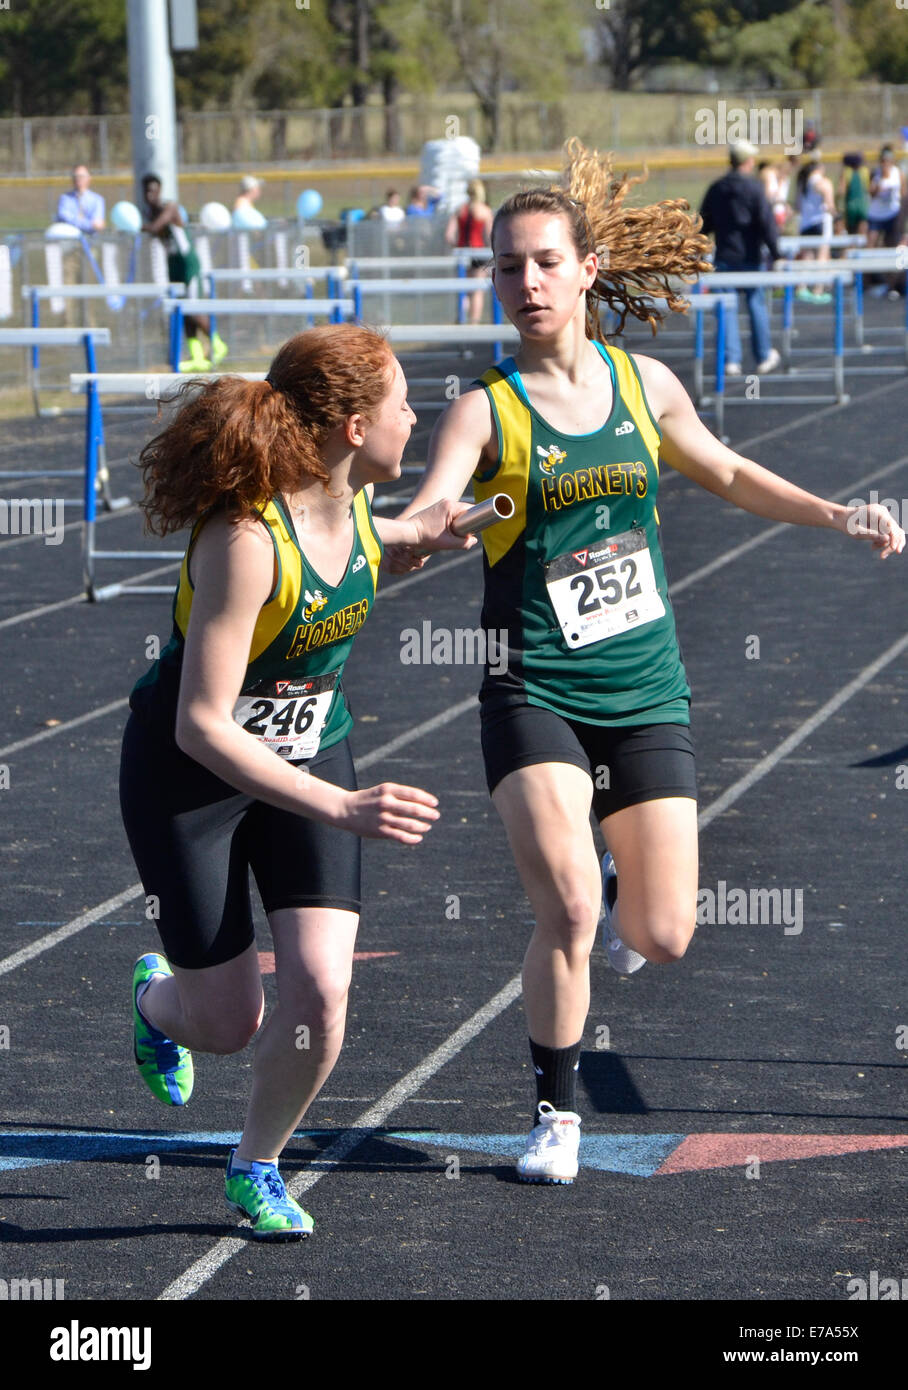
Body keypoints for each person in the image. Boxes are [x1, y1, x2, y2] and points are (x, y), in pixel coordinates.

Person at [391, 138, 904, 1185]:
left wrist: (833, 512)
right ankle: (556, 1118)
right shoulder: (482, 409)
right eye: (504, 267)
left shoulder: (643, 383)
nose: (523, 283)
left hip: (640, 685)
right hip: (531, 684)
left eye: (542, 262)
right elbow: (428, 501)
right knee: (570, 911)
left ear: (587, 270)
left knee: (661, 933)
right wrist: (429, 521)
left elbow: (720, 468)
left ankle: (624, 883)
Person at [120, 324, 476, 1238]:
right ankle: (158, 1003)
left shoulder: (351, 502)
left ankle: (257, 1163)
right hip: (192, 778)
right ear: (355, 426)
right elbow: (202, 723)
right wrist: (342, 805)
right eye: (403, 403)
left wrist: (422, 536)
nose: (415, 417)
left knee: (321, 990)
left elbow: (367, 538)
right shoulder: (244, 539)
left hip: (311, 751)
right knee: (229, 1023)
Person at [699, 140, 781, 375]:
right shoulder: (755, 189)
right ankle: (764, 355)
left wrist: (695, 248)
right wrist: (776, 254)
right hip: (751, 258)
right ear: (748, 161)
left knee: (726, 309)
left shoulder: (717, 188)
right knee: (756, 304)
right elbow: (767, 223)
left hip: (725, 256)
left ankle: (731, 359)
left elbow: (703, 222)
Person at [141, 172, 228, 372]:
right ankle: (196, 355)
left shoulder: (170, 208)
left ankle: (217, 343)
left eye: (153, 190)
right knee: (182, 311)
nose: (150, 195)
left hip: (187, 263)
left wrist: (138, 227)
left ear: (160, 191)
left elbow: (155, 228)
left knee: (193, 309)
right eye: (146, 191)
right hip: (173, 264)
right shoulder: (150, 212)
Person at [446, 178, 494, 326]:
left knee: (464, 290)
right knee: (477, 291)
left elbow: (448, 235)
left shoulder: (460, 210)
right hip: (478, 253)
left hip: (462, 253)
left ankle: (461, 317)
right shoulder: (484, 210)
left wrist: (458, 246)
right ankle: (474, 323)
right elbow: (490, 235)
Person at [795, 158, 836, 303]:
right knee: (821, 257)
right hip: (819, 222)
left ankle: (801, 287)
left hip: (806, 223)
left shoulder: (803, 182)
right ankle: (818, 290)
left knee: (806, 258)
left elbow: (797, 205)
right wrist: (833, 210)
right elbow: (828, 200)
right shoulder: (820, 181)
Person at [56, 164, 105, 235]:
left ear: (89, 178)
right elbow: (64, 218)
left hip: (90, 239)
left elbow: (98, 223)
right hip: (68, 238)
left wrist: (75, 221)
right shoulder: (65, 198)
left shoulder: (97, 199)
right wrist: (89, 224)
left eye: (81, 176)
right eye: (75, 176)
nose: (78, 179)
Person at [838, 153, 869, 238]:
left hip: (851, 206)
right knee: (863, 231)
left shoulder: (846, 173)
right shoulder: (864, 171)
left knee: (852, 233)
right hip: (863, 205)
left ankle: (852, 249)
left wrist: (838, 205)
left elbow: (841, 191)